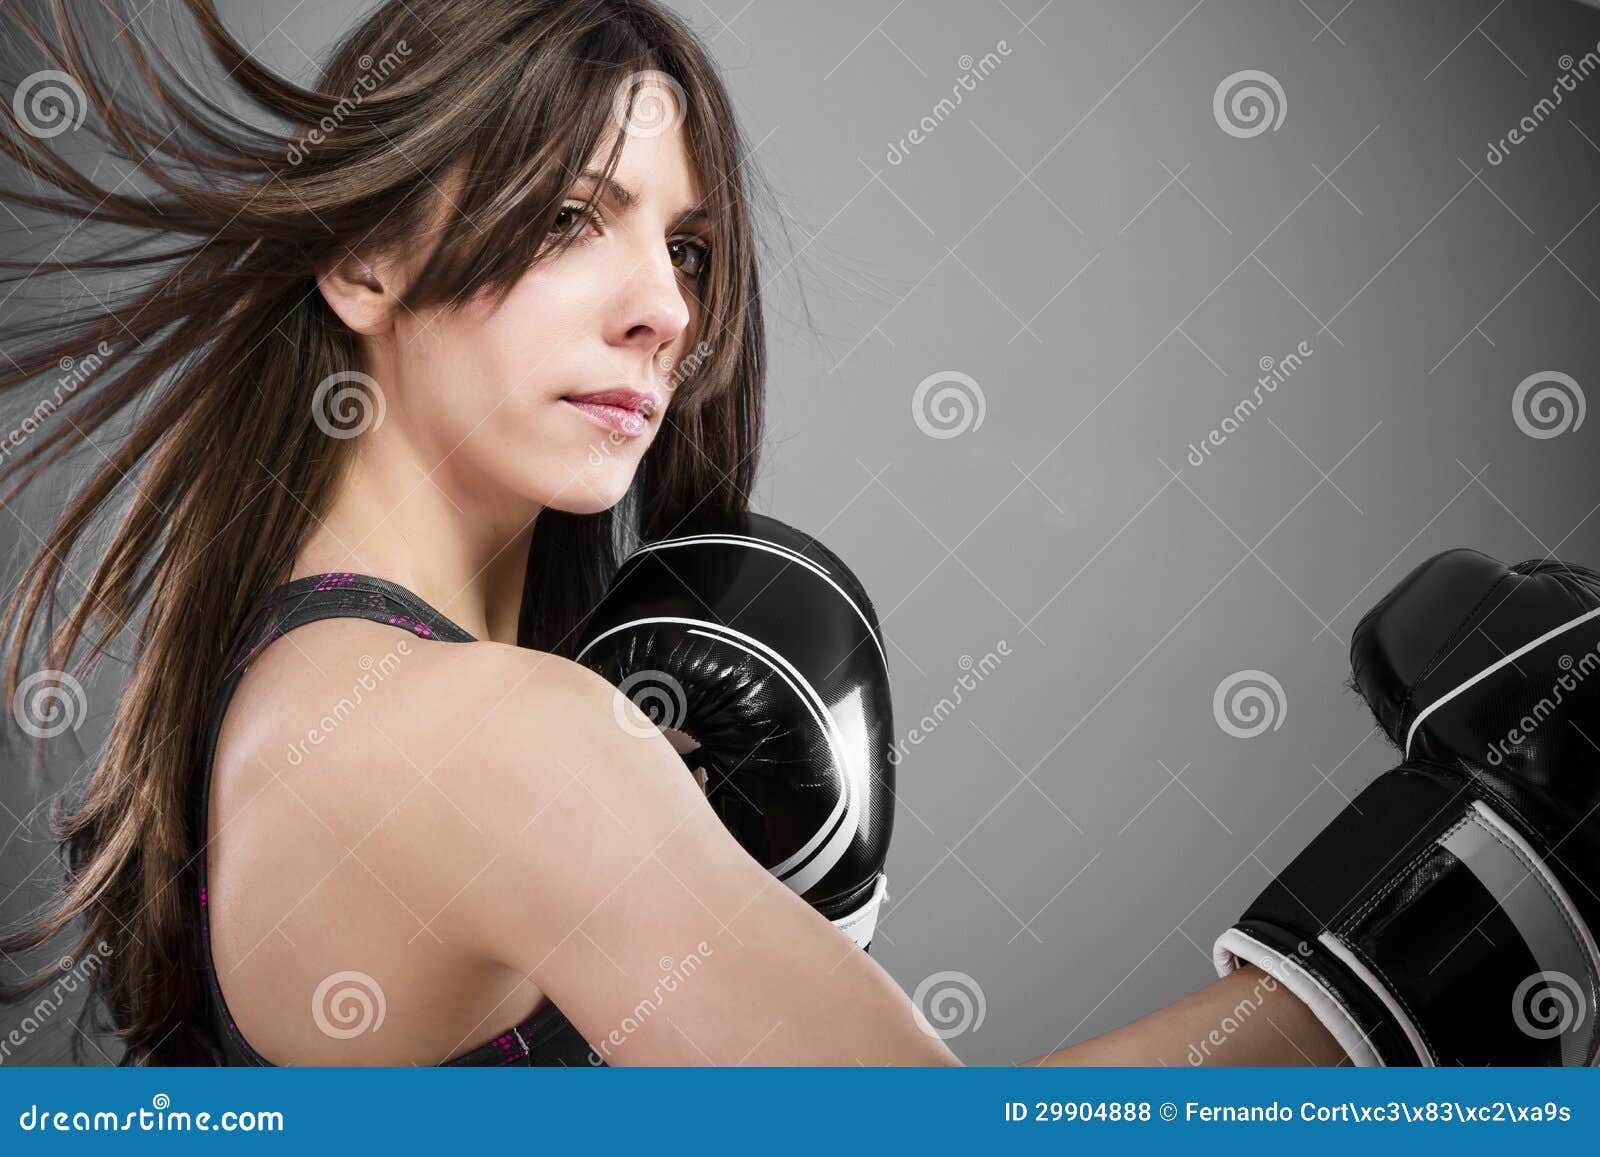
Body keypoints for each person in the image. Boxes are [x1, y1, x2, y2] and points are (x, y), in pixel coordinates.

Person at [0, 0, 1593, 1069]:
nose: (664, 307)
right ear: (364, 261)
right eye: (569, 216)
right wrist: (1472, 895)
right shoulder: (493, 739)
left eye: (689, 247)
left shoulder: (294, 696)